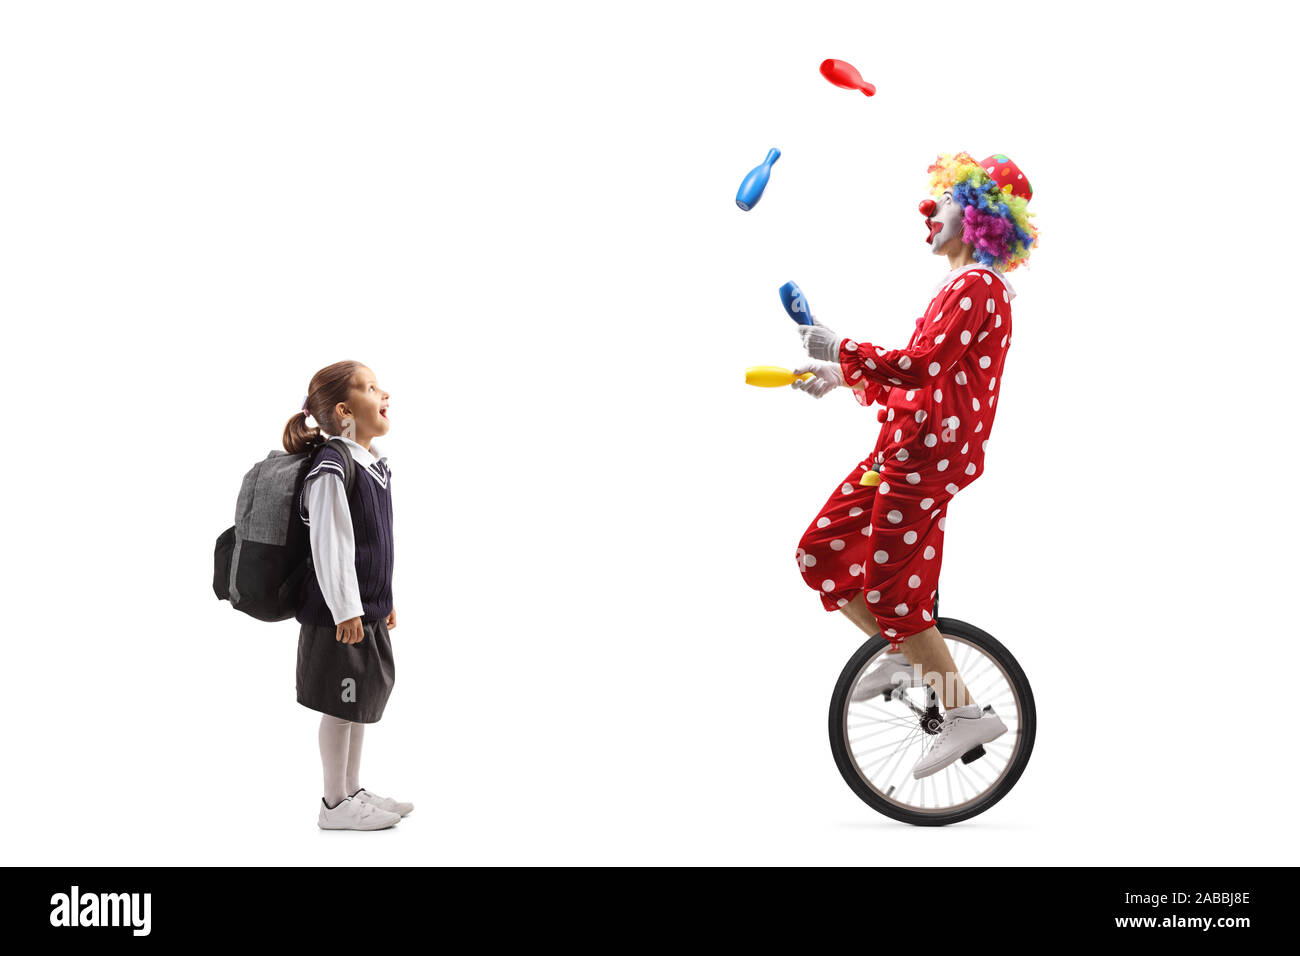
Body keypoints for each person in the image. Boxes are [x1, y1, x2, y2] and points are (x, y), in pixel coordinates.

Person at [790, 152, 1038, 779]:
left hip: (927, 459)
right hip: (900, 450)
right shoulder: (957, 290)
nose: (929, 209)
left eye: (947, 201)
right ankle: (903, 654)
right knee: (818, 551)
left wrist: (842, 347)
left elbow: (922, 366)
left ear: (980, 217)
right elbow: (922, 384)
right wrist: (839, 376)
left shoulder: (979, 288)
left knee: (894, 592)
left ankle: (963, 714)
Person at [283, 360, 413, 829]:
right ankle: (334, 804)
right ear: (344, 411)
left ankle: (352, 790)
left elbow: (377, 544)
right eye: (371, 387)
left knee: (357, 705)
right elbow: (331, 544)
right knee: (340, 708)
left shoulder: (373, 465)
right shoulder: (332, 466)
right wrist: (345, 607)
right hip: (340, 616)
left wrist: (384, 598)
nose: (385, 393)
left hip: (364, 610)